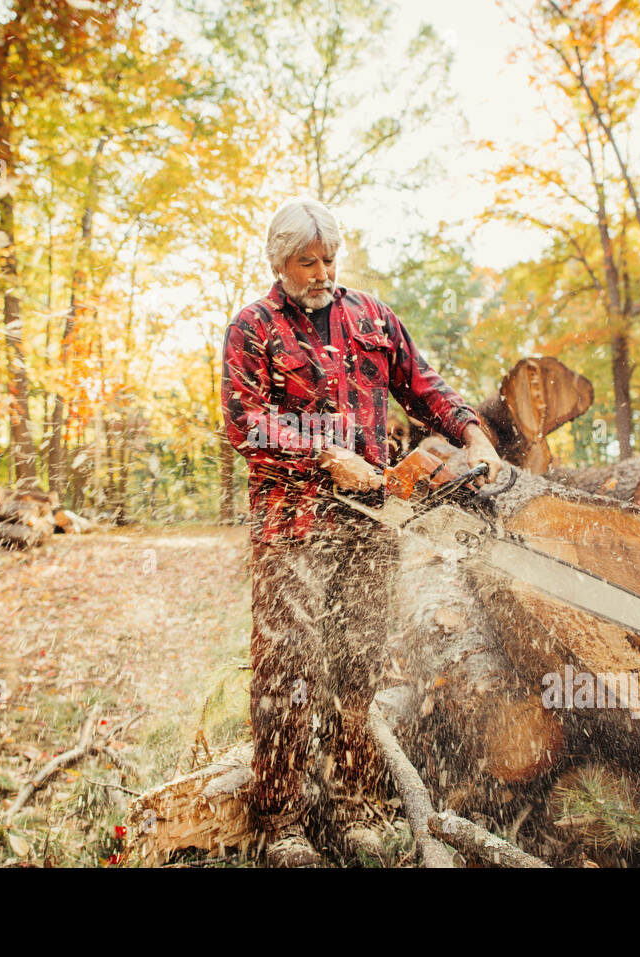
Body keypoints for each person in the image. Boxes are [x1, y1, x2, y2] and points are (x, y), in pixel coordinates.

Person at [220, 198, 503, 866]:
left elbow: (424, 385)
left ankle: (352, 807)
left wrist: (472, 432)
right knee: (287, 670)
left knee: (359, 666)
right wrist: (323, 453)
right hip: (291, 525)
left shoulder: (372, 318)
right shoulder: (254, 327)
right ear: (279, 263)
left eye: (328, 259)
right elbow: (245, 422)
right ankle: (283, 820)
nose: (320, 271)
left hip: (372, 522)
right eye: (306, 262)